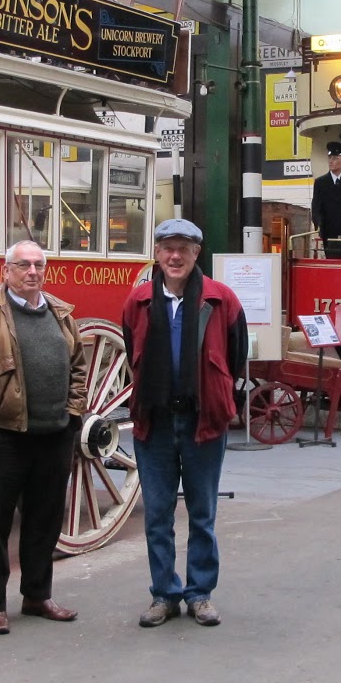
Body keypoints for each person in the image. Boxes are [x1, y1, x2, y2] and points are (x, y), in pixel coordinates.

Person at [0, 239, 88, 635]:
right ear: (5, 270)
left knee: (45, 521)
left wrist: (72, 413)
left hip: (54, 435)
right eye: (23, 265)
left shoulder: (60, 313)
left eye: (38, 265)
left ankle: (37, 596)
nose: (32, 272)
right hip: (4, 439)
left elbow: (78, 366)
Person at [121, 218, 247, 628]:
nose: (175, 256)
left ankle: (199, 594)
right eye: (168, 248)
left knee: (202, 513)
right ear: (157, 253)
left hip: (202, 421)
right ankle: (164, 594)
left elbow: (236, 356)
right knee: (157, 515)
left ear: (196, 254)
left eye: (184, 249)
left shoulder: (221, 300)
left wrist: (217, 396)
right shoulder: (138, 301)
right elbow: (131, 349)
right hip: (154, 422)